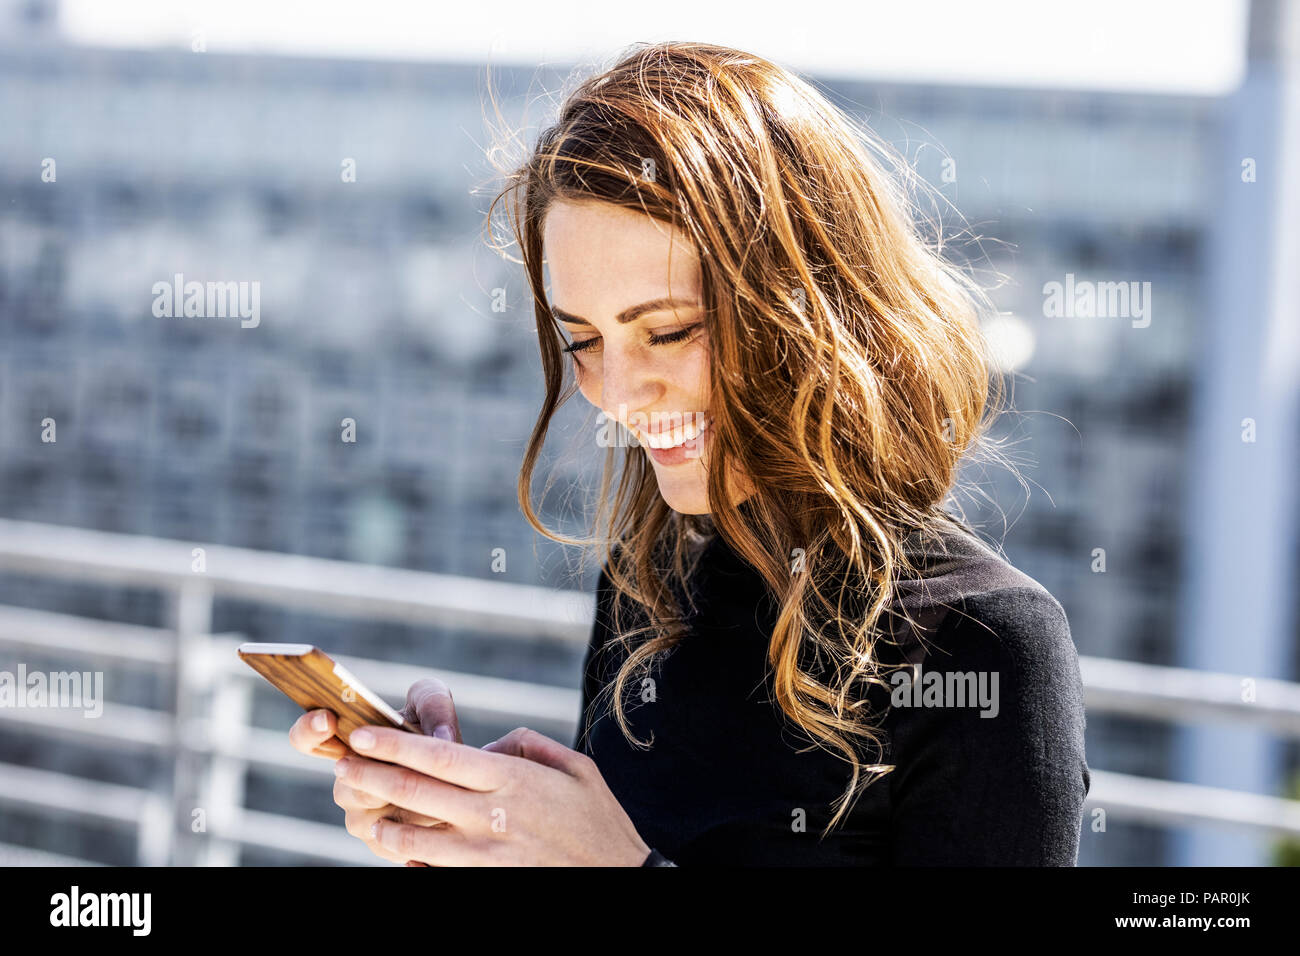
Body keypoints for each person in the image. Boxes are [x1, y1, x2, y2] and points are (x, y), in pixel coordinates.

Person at [288, 40, 1090, 866]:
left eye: (666, 331)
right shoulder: (649, 583)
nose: (619, 392)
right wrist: (481, 838)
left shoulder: (986, 644)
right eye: (586, 341)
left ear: (809, 308)